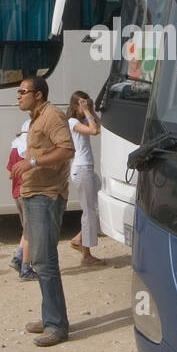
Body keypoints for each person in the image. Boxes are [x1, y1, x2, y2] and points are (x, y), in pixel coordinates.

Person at [9, 76, 74, 347]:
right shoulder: (37, 118)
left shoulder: (52, 116)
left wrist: (32, 162)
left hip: (47, 195)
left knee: (46, 262)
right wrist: (25, 165)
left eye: (23, 91)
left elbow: (66, 150)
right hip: (34, 193)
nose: (18, 96)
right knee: (38, 260)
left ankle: (56, 325)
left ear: (38, 94)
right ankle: (50, 318)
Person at [67, 91, 102, 264]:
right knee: (88, 211)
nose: (85, 107)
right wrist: (87, 111)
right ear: (76, 106)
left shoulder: (82, 120)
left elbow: (99, 127)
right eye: (82, 104)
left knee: (98, 205)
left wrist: (91, 110)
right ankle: (86, 255)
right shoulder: (72, 122)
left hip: (87, 169)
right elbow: (93, 131)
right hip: (81, 169)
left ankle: (78, 239)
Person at [7, 117, 38, 282]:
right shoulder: (31, 149)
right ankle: (26, 269)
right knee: (31, 232)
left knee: (26, 230)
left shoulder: (14, 147)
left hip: (16, 193)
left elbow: (9, 173)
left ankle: (18, 258)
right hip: (28, 193)